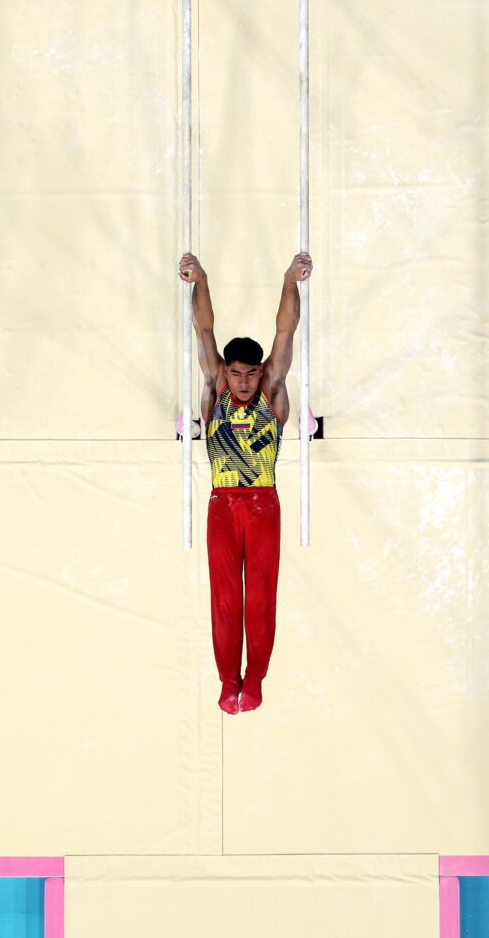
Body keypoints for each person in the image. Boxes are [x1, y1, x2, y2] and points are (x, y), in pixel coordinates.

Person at [178, 249, 312, 714]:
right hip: (222, 505)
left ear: (261, 375)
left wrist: (289, 279)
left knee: (259, 596)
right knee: (225, 599)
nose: (241, 382)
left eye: (249, 374)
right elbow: (204, 330)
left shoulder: (271, 390)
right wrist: (203, 280)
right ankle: (226, 679)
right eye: (235, 373)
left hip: (261, 506)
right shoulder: (216, 384)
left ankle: (253, 680)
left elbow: (284, 331)